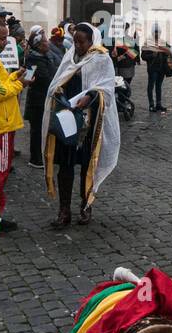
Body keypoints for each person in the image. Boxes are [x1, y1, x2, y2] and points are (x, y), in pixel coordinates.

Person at [41, 23, 120, 227]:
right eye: (75, 41)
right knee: (65, 166)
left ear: (91, 40)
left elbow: (107, 89)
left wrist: (92, 95)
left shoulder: (101, 58)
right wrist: (58, 93)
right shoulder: (70, 57)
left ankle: (86, 206)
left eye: (81, 42)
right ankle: (64, 210)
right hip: (67, 118)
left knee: (87, 165)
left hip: (88, 122)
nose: (77, 45)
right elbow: (57, 81)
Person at [0, 18, 33, 232]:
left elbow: (1, 84)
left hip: (1, 124)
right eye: (2, 38)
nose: (5, 42)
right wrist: (21, 83)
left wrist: (14, 76)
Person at [25, 28, 61, 167]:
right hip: (37, 101)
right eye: (45, 42)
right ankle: (35, 159)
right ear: (39, 46)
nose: (48, 44)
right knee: (37, 130)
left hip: (42, 99)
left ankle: (42, 155)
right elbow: (44, 79)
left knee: (42, 129)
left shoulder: (42, 57)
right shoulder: (35, 59)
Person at [141, 25, 171, 113]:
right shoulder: (148, 43)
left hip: (161, 68)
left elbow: (170, 49)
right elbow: (143, 56)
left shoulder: (163, 42)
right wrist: (152, 55)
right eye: (156, 32)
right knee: (151, 86)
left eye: (159, 32)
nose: (157, 34)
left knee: (159, 86)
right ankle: (151, 105)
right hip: (152, 68)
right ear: (152, 33)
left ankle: (158, 104)